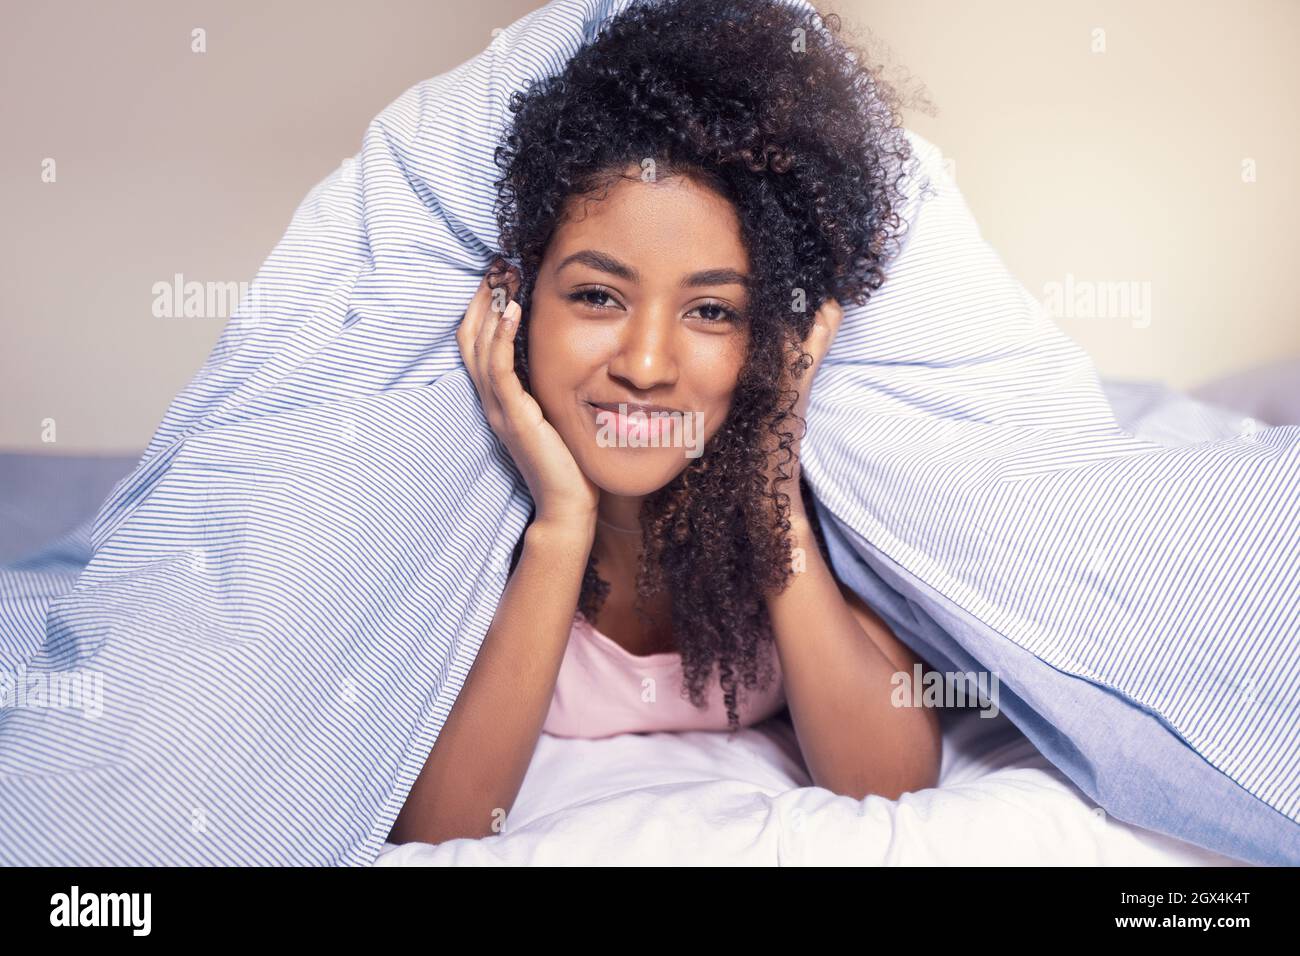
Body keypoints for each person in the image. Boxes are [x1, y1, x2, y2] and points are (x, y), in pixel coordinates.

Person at [389, 0, 941, 846]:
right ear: (518, 305)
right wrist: (562, 524)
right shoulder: (473, 542)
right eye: (597, 296)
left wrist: (771, 479)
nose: (645, 365)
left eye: (713, 311)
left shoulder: (823, 510)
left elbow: (889, 780)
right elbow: (441, 830)